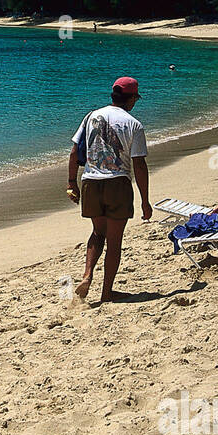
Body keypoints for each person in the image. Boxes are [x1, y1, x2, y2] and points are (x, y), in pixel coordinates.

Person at [66, 76, 151, 302]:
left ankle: (87, 274)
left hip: (90, 182)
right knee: (115, 241)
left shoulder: (91, 116)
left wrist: (71, 182)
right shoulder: (134, 124)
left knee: (97, 232)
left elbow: (75, 152)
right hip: (118, 183)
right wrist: (145, 201)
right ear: (131, 98)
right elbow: (139, 165)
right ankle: (107, 293)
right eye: (135, 98)